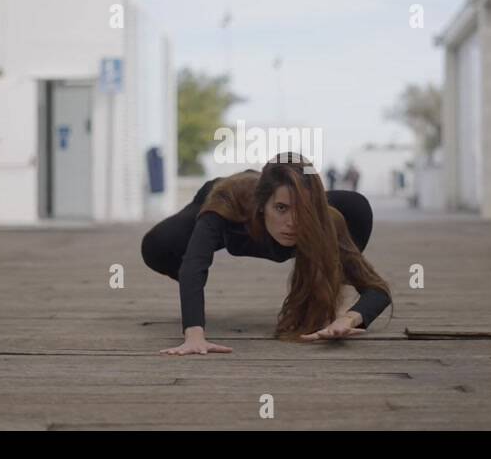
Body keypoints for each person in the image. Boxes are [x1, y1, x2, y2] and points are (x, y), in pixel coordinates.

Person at [141, 152, 392, 356]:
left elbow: (377, 290)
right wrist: (194, 336)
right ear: (263, 207)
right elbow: (194, 266)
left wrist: (349, 320)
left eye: (301, 210)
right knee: (154, 247)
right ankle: (192, 292)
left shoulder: (321, 218)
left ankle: (331, 278)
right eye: (281, 209)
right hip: (229, 208)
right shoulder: (226, 204)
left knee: (355, 206)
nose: (292, 222)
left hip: (284, 195)